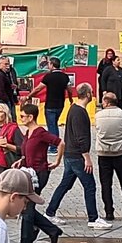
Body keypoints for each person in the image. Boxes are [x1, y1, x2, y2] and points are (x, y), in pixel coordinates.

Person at [46, 84, 108, 227]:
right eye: (92, 92)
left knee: (65, 184)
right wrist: (87, 157)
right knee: (90, 185)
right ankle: (93, 218)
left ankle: (50, 212)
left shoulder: (74, 109)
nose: (93, 94)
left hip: (70, 153)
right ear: (87, 95)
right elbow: (81, 137)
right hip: (77, 155)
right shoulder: (79, 112)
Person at [93, 87, 122, 222]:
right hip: (120, 153)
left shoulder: (98, 115)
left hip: (104, 154)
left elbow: (97, 129)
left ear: (106, 102)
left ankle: (109, 212)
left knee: (106, 184)